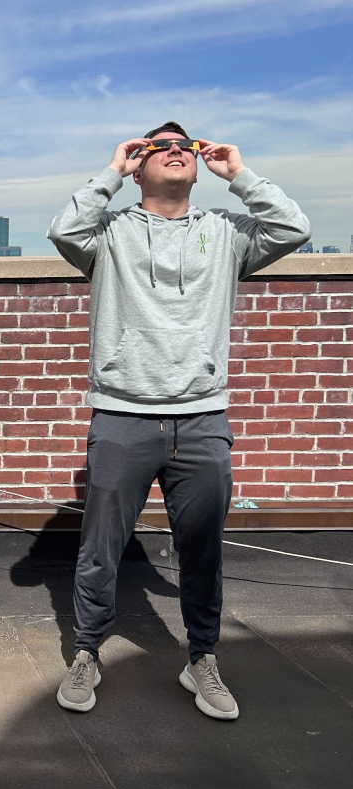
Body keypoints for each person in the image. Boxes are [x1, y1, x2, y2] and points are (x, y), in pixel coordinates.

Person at [47, 122, 310, 719]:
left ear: (197, 162)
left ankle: (202, 660)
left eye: (183, 145)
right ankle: (87, 651)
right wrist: (112, 169)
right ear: (139, 168)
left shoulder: (225, 232)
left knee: (203, 551)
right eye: (156, 146)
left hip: (201, 417)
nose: (173, 151)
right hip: (122, 414)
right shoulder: (109, 233)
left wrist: (238, 174)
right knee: (100, 549)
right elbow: (64, 230)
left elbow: (294, 227)